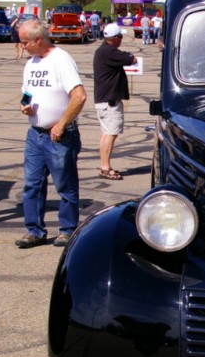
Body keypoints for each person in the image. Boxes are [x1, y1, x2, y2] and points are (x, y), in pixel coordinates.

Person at [15, 18, 87, 248]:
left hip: (59, 135)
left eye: (25, 42)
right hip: (35, 134)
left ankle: (67, 230)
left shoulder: (61, 60)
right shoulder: (31, 63)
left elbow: (79, 96)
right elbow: (27, 91)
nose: (22, 46)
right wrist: (24, 104)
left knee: (65, 185)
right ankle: (34, 230)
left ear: (38, 40)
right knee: (32, 184)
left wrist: (61, 123)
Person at [93, 23, 137, 180]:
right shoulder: (109, 52)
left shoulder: (103, 51)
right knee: (111, 133)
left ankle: (104, 164)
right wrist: (130, 55)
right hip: (109, 100)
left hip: (104, 99)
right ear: (115, 38)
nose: (121, 39)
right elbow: (131, 59)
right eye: (120, 37)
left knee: (107, 133)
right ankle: (105, 167)